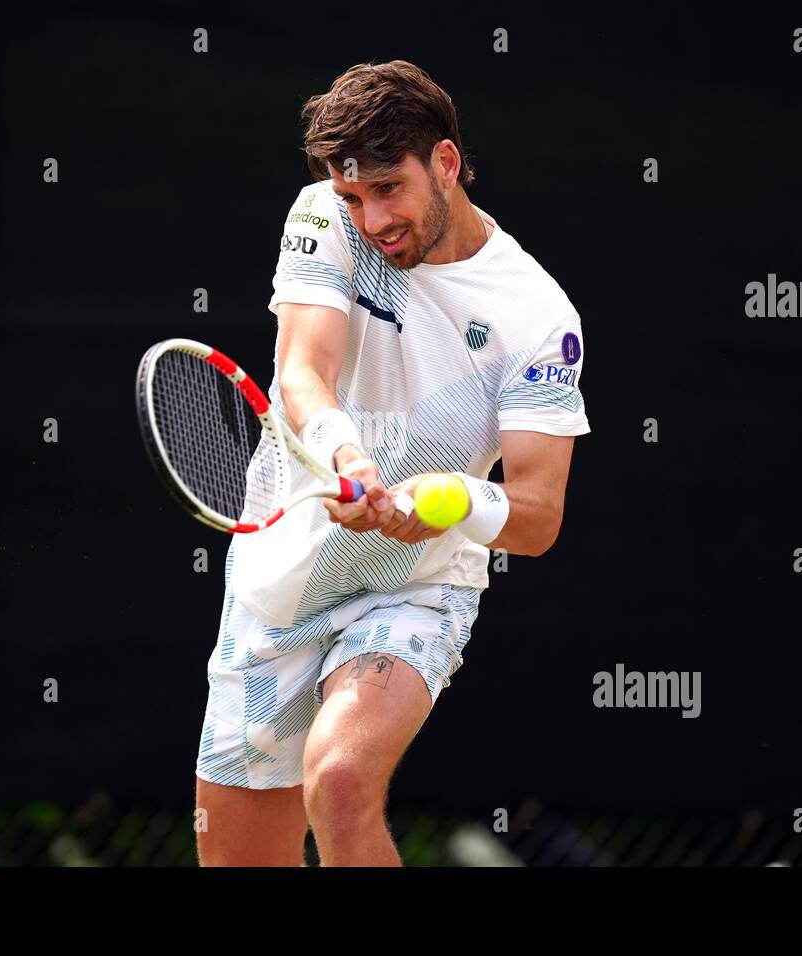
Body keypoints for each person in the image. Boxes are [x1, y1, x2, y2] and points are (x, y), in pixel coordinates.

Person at [195, 60, 591, 866]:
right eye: (353, 196)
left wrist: (447, 501)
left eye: (387, 188)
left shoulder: (539, 317)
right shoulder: (324, 220)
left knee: (339, 782)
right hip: (279, 589)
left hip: (416, 589)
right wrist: (348, 456)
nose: (371, 217)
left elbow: (540, 514)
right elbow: (304, 369)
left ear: (445, 163)